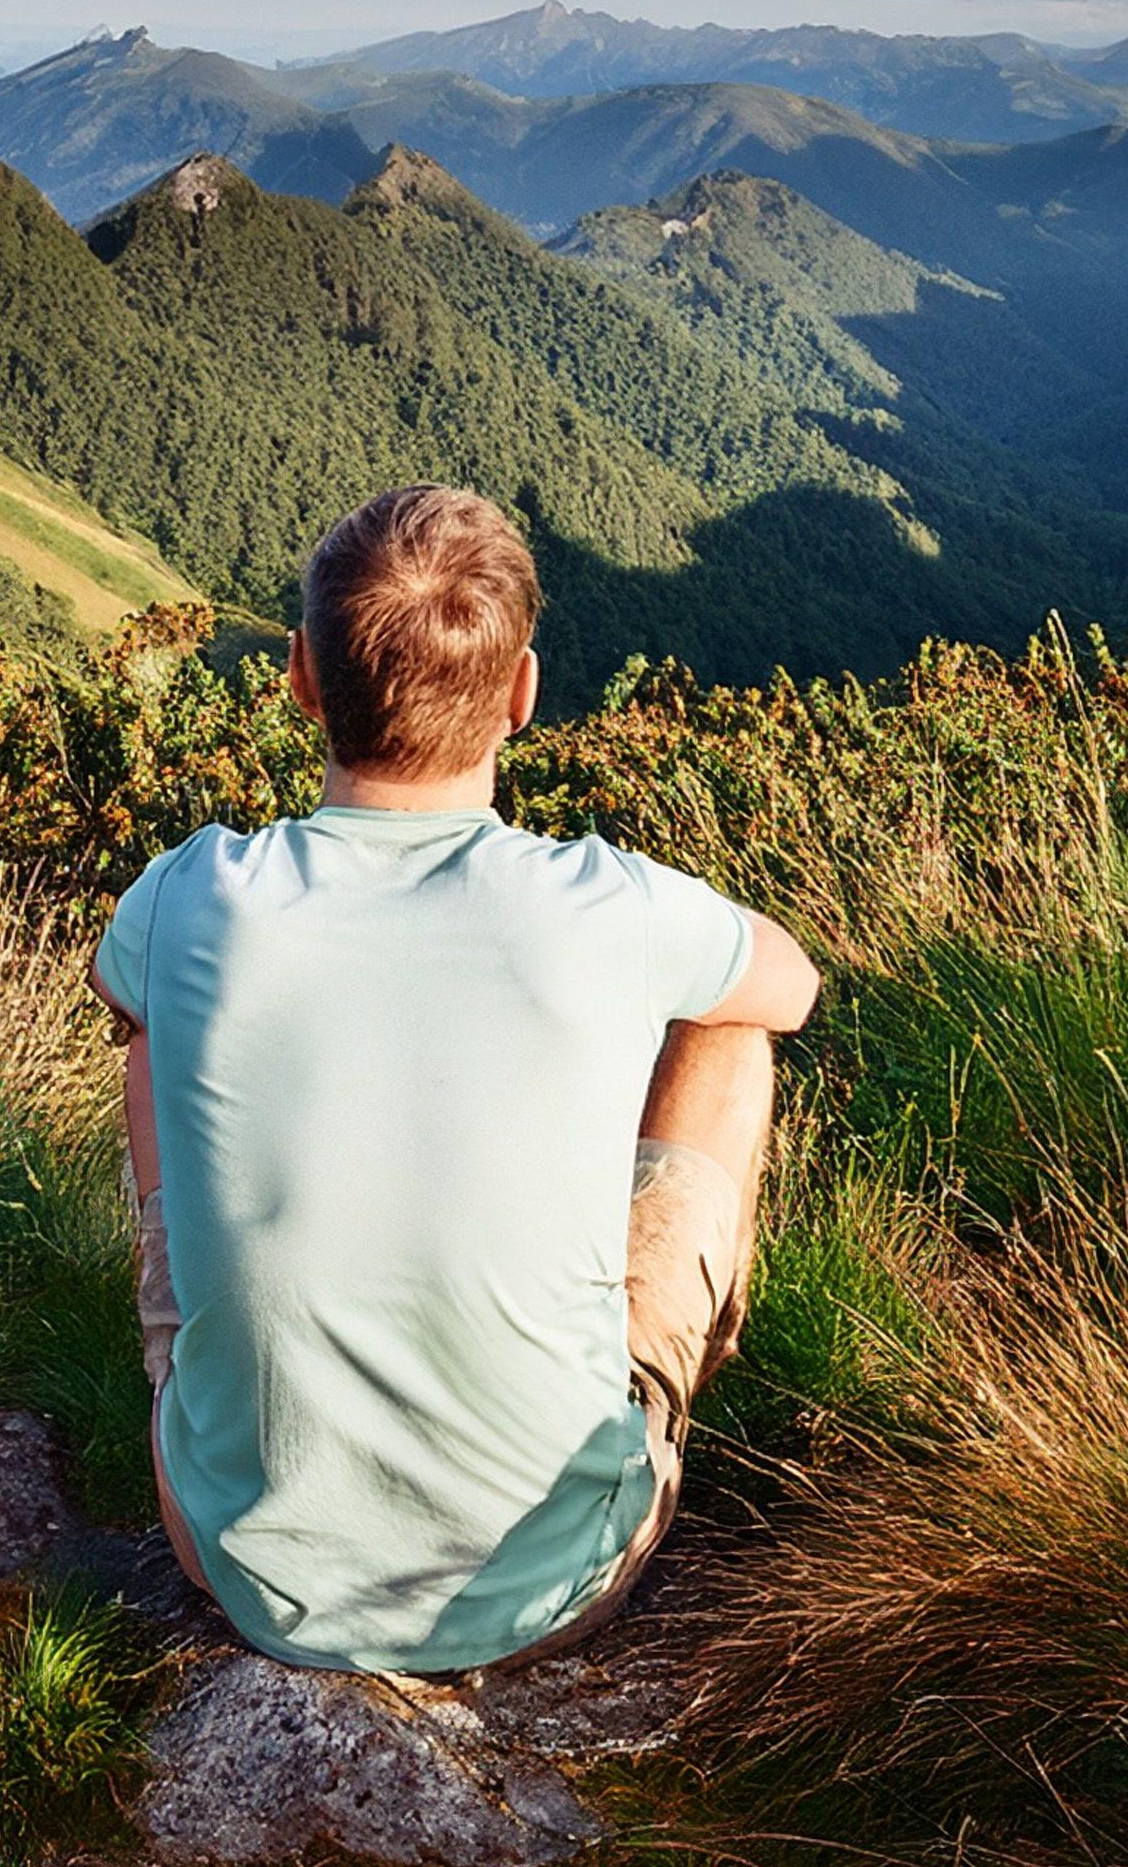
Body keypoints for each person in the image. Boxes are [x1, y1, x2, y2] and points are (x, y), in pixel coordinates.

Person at [89, 483, 819, 1676]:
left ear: (300, 678)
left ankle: (186, 1363)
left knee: (153, 1029)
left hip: (241, 1562)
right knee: (730, 1031)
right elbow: (793, 988)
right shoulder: (608, 903)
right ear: (522, 694)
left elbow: (124, 997)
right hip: (551, 1583)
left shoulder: (191, 892)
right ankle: (648, 1385)